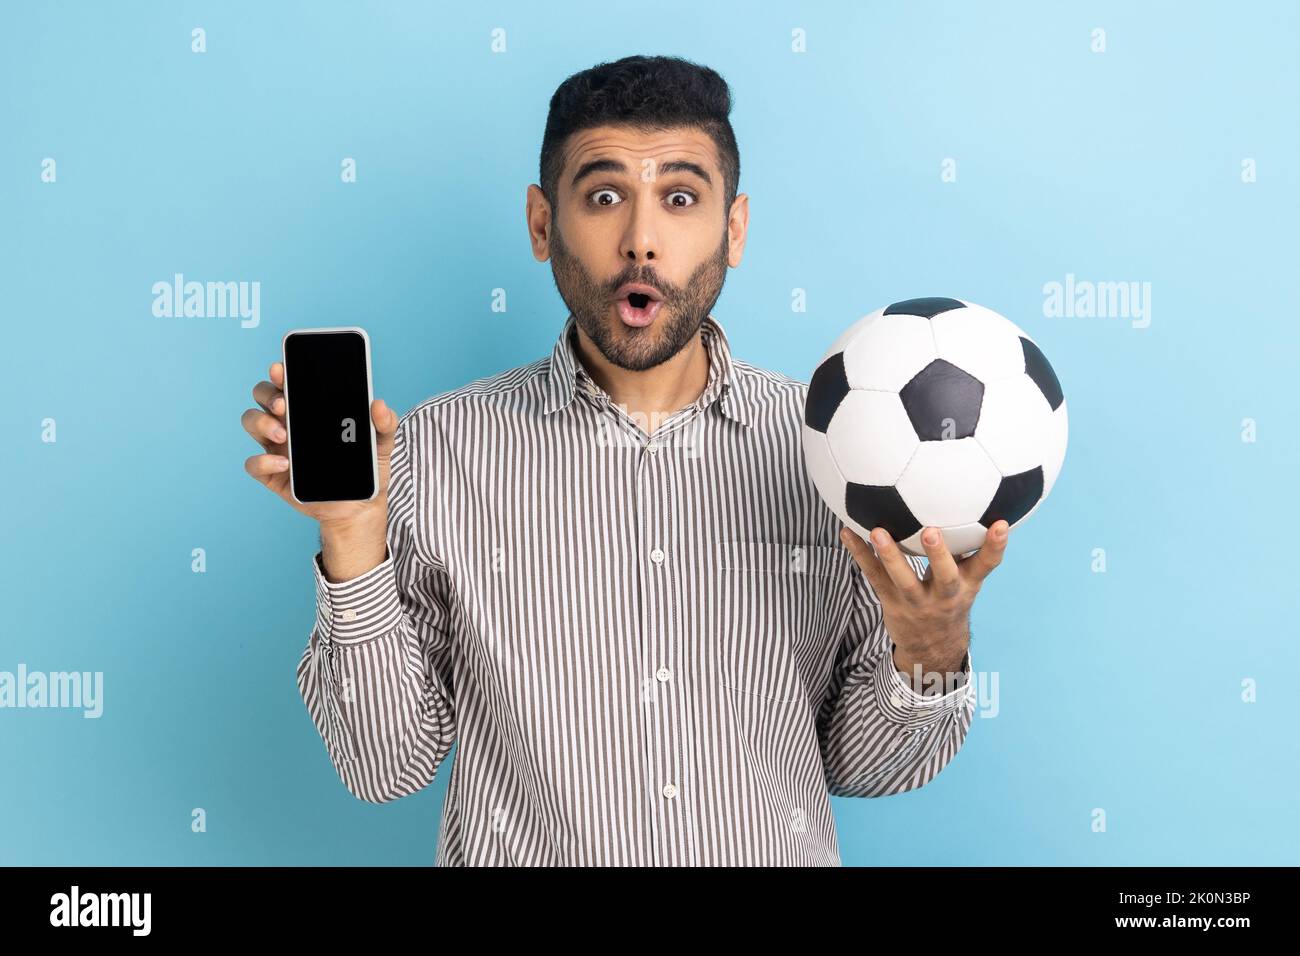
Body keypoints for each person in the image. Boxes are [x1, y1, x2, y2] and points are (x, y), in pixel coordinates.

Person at [241, 54, 1008, 866]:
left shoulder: (834, 451)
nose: (641, 241)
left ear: (733, 228)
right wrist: (355, 537)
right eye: (604, 196)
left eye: (680, 198)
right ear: (543, 225)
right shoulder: (437, 452)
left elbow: (867, 766)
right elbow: (383, 766)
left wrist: (931, 646)